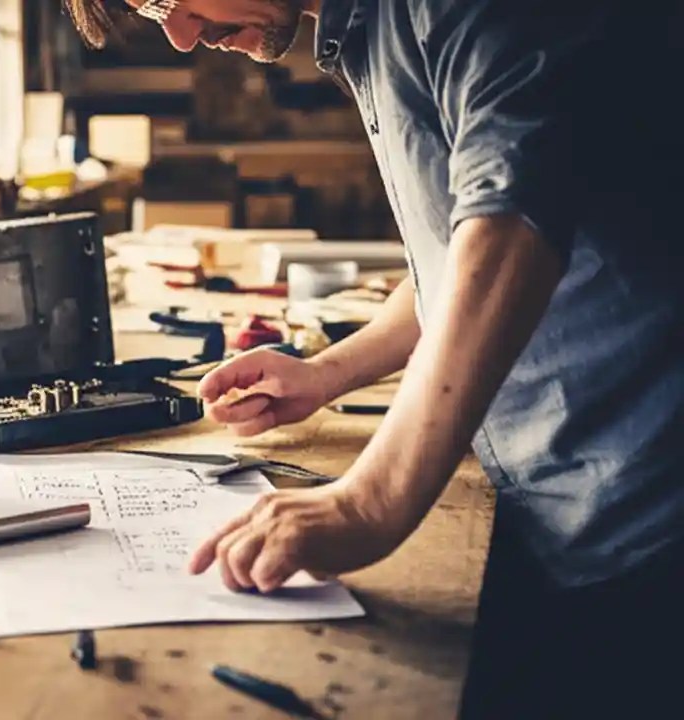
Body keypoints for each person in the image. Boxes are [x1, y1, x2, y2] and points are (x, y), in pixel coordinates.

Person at [64, 1, 683, 717]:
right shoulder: (368, 30)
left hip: (648, 519)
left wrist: (368, 501)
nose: (179, 34)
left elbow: (510, 228)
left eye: (170, 0)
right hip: (565, 503)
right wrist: (329, 372)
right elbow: (452, 258)